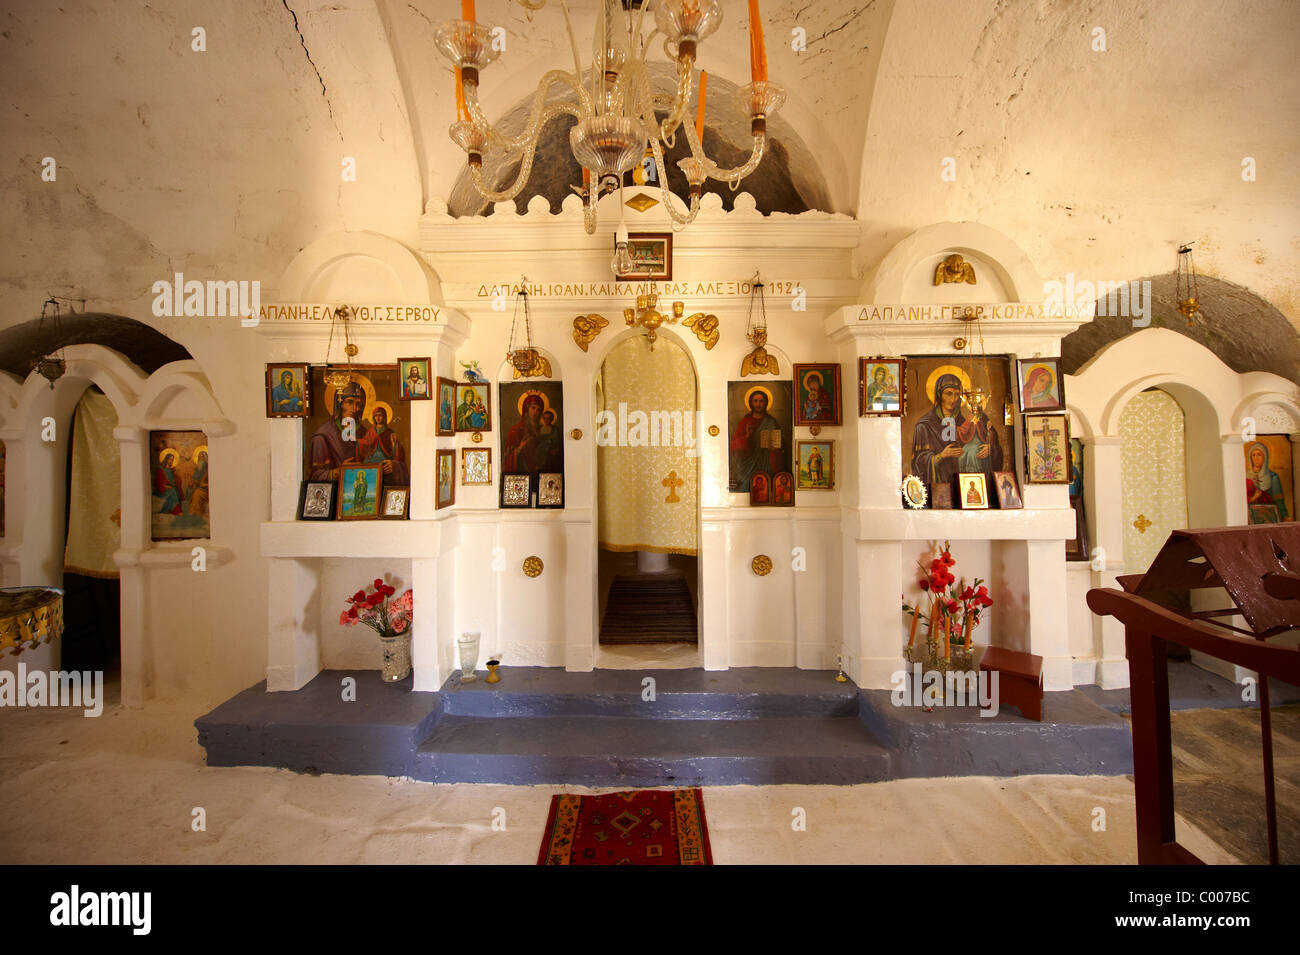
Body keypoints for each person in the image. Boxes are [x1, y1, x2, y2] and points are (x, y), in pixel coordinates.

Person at [910, 373, 1002, 488]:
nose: (953, 399)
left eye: (957, 394)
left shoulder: (966, 422)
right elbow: (918, 462)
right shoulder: (925, 426)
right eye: (949, 393)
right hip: (940, 487)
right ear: (939, 395)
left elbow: (983, 442)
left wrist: (991, 449)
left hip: (964, 485)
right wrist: (941, 456)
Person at [309, 380, 367, 481]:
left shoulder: (365, 433)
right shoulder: (322, 436)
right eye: (349, 402)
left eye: (358, 404)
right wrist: (338, 472)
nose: (354, 408)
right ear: (340, 403)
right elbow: (315, 476)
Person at [729, 388, 785, 491]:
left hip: (767, 461)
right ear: (751, 403)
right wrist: (747, 436)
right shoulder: (745, 421)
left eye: (761, 401)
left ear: (766, 403)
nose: (758, 404)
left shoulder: (772, 422)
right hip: (748, 463)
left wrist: (775, 449)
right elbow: (734, 446)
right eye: (755, 401)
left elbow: (781, 445)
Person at [503, 393, 561, 474]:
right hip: (523, 471)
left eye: (538, 410)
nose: (535, 412)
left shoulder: (542, 429)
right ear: (526, 409)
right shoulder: (515, 430)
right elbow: (507, 458)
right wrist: (520, 448)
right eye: (533, 408)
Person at [356, 404, 409, 485]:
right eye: (376, 415)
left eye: (380, 415)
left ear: (384, 417)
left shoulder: (389, 432)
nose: (378, 418)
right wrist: (359, 442)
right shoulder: (370, 431)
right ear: (373, 417)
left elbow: (395, 447)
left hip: (384, 460)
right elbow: (365, 442)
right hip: (371, 460)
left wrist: (394, 443)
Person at [1246, 441, 1289, 521]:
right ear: (1250, 458)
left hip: (1269, 516)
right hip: (1250, 516)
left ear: (1265, 457)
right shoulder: (1245, 476)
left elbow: (1279, 502)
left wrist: (1285, 516)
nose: (1256, 458)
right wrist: (1253, 498)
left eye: (1259, 455)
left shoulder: (1273, 477)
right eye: (1253, 455)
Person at [153, 449, 184, 515]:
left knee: (175, 491)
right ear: (166, 459)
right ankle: (177, 511)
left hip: (170, 489)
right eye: (170, 459)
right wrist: (166, 486)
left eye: (172, 459)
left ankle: (168, 510)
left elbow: (174, 481)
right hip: (161, 491)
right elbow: (158, 484)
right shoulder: (161, 470)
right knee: (173, 491)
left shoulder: (172, 471)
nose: (171, 461)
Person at [188, 448, 209, 516]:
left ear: (205, 458)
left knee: (197, 494)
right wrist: (192, 482)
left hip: (207, 490)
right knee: (189, 491)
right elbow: (195, 479)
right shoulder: (197, 468)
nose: (201, 459)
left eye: (202, 457)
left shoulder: (208, 468)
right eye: (199, 457)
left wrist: (205, 485)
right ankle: (194, 511)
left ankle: (196, 512)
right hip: (199, 487)